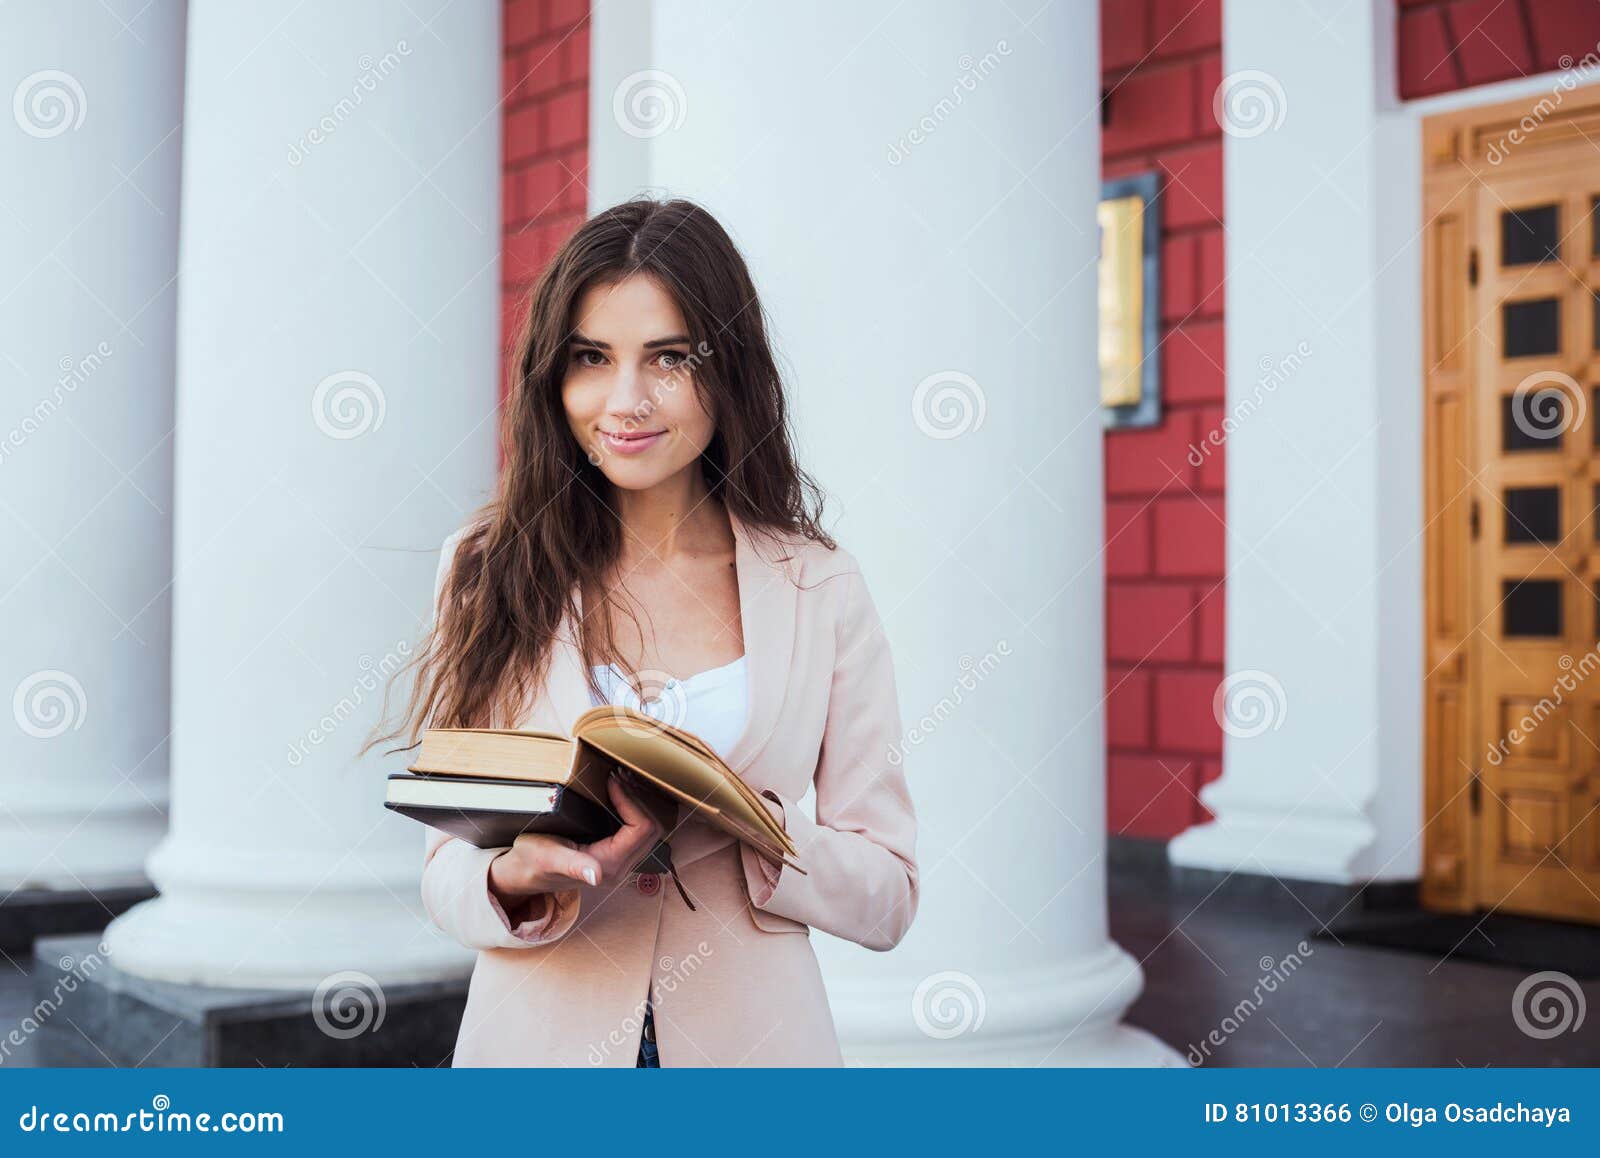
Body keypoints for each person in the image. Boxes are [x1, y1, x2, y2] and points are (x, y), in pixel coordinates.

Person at [372, 198, 918, 1067]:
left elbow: (889, 896)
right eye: (592, 358)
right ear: (554, 377)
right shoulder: (485, 568)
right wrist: (515, 879)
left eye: (668, 358)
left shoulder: (819, 585)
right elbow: (445, 874)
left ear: (728, 372)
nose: (624, 401)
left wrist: (763, 832)